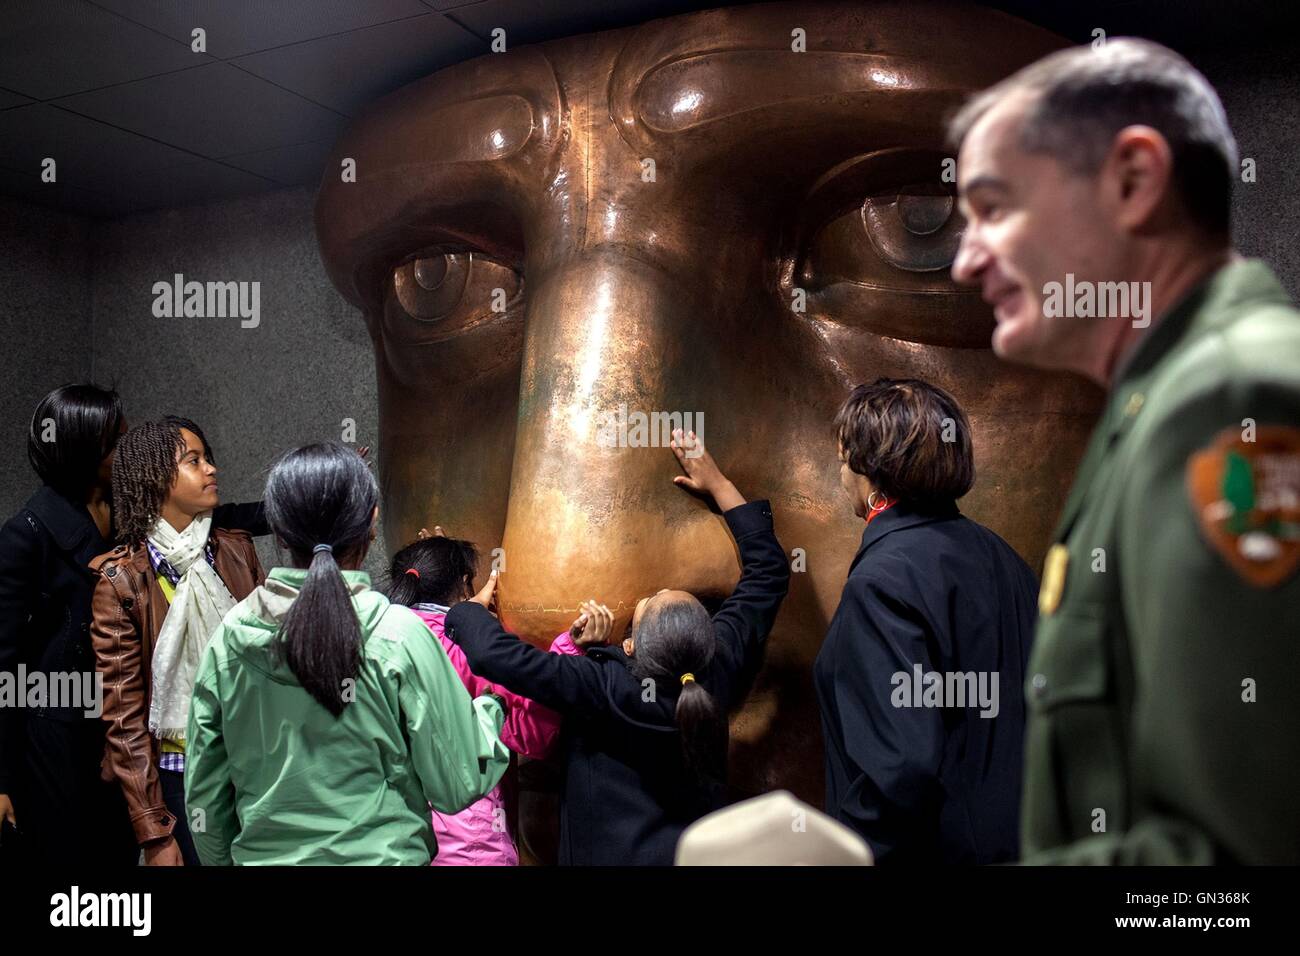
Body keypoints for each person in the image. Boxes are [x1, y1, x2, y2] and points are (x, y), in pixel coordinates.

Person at [949, 38, 1300, 863]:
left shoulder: (1229, 400)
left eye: (993, 208)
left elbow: (1229, 878)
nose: (966, 260)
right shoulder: (1160, 404)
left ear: (1134, 180)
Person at [442, 430, 790, 865]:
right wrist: (719, 484)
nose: (655, 589)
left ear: (629, 645)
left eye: (647, 601)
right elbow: (769, 571)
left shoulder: (603, 687)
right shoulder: (718, 665)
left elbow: (499, 659)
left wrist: (465, 611)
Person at [184, 442, 510, 865]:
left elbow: (206, 801)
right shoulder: (398, 635)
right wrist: (490, 710)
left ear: (279, 532)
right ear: (372, 521)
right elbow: (457, 784)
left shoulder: (227, 641)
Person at [0, 388, 267, 866]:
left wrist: (296, 504)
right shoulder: (29, 533)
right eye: (114, 441)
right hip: (60, 731)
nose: (126, 450)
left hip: (123, 729)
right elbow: (4, 663)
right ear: (81, 448)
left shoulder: (134, 514)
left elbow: (213, 516)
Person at [814, 379, 1037, 864]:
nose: (840, 472)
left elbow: (900, 770)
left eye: (842, 457)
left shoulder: (880, 581)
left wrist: (842, 854)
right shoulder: (1006, 559)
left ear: (868, 466)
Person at [89, 417, 264, 866]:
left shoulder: (236, 550)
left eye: (208, 458)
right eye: (194, 461)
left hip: (255, 765)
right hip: (181, 777)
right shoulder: (124, 580)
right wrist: (154, 833)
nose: (211, 469)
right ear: (155, 479)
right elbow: (123, 717)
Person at [385, 529, 593, 865]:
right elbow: (531, 735)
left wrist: (468, 613)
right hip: (469, 842)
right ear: (466, 584)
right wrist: (567, 649)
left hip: (398, 837)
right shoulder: (470, 652)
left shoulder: (377, 636)